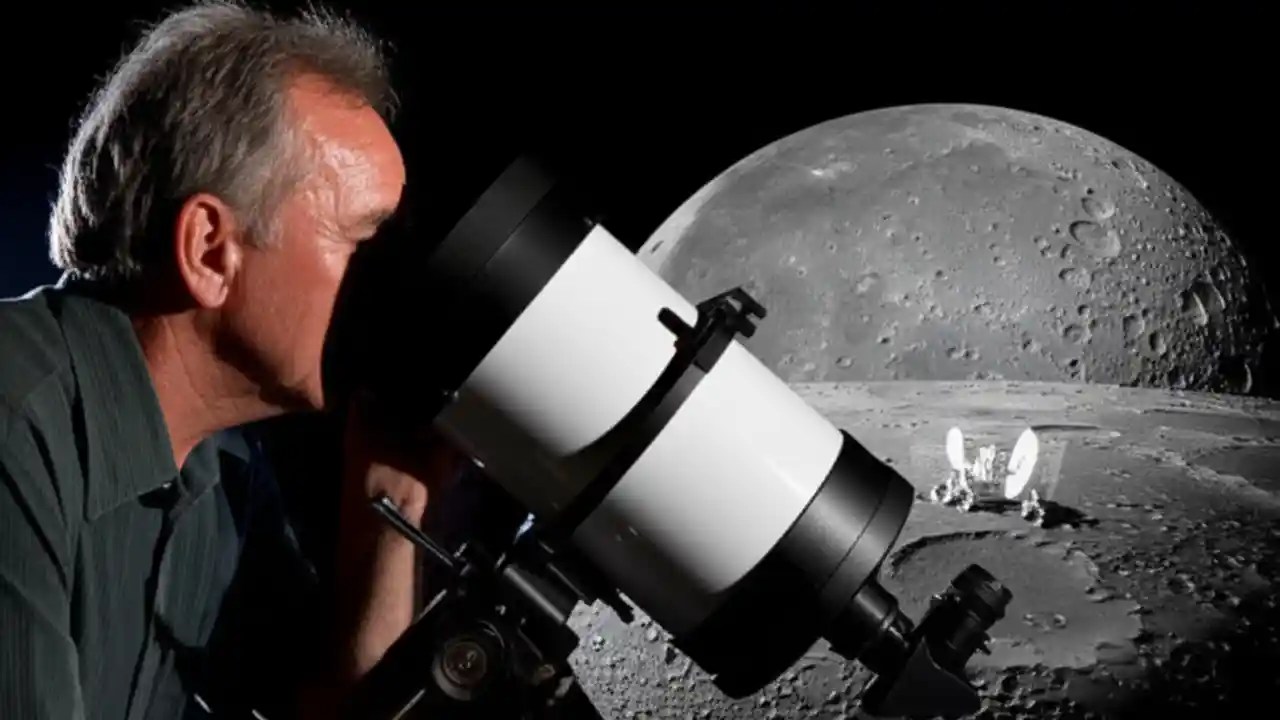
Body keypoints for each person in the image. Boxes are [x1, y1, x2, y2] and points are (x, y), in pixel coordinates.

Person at [0, 2, 466, 718]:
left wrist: (391, 502)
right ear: (211, 249)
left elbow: (331, 709)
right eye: (364, 240)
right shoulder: (13, 415)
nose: (392, 285)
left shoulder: (220, 480)